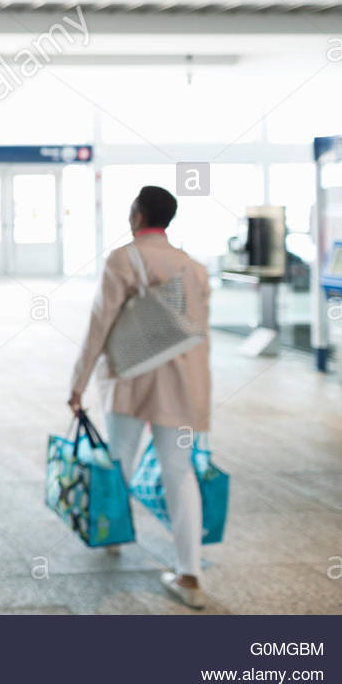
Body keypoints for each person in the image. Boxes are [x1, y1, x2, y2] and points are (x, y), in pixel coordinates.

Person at [68, 185, 212, 609]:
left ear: (137, 215)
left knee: (120, 459)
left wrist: (77, 384)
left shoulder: (123, 259)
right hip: (183, 386)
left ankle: (111, 534)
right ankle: (189, 574)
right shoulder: (194, 268)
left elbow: (99, 326)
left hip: (130, 379)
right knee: (179, 471)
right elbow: (199, 336)